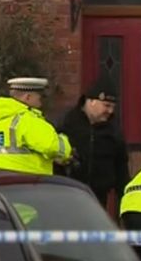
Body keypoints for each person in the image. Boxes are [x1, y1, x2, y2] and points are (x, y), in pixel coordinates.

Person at [0, 77, 74, 175]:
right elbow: (55, 147)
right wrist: (63, 140)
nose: (41, 102)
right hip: (27, 184)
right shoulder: (28, 121)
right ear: (28, 97)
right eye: (40, 97)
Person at [56, 76, 130, 210]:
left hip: (98, 198)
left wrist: (125, 201)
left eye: (113, 107)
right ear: (90, 101)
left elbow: (121, 169)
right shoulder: (66, 123)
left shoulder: (113, 130)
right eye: (106, 106)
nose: (110, 111)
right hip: (67, 194)